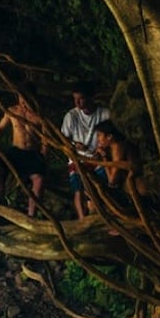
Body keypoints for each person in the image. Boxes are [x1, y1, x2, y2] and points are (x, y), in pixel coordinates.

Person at [0, 85, 46, 217]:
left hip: (32, 154)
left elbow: (45, 140)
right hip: (15, 152)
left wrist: (43, 156)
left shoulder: (40, 116)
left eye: (26, 98)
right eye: (21, 98)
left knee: (39, 179)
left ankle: (31, 216)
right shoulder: (12, 111)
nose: (23, 101)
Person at [61, 81, 110, 220]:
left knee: (103, 186)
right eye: (75, 99)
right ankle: (82, 221)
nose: (77, 103)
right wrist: (74, 145)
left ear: (91, 97)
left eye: (81, 98)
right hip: (78, 158)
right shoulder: (71, 116)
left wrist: (101, 150)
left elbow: (113, 137)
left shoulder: (105, 114)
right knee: (78, 189)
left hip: (98, 159)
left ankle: (103, 218)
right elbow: (62, 140)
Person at [89, 119, 147, 215]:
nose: (98, 139)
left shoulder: (117, 147)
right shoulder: (112, 147)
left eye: (99, 135)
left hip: (133, 184)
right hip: (126, 185)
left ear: (109, 137)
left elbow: (112, 180)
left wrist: (104, 158)